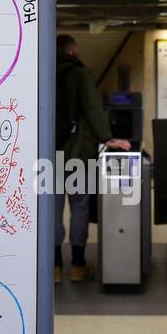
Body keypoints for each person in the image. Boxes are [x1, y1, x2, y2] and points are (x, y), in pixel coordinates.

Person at [55, 34, 129, 283]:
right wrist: (108, 138)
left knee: (52, 210)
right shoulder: (80, 74)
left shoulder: (40, 69)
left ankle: (54, 267)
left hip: (47, 155)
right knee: (79, 207)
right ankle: (77, 265)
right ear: (73, 50)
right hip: (77, 154)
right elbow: (92, 108)